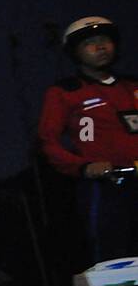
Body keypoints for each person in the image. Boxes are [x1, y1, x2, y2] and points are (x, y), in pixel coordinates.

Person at [37, 16, 138, 265]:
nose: (100, 47)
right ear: (75, 53)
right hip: (107, 186)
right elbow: (47, 141)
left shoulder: (133, 86)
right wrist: (83, 166)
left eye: (105, 40)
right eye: (89, 43)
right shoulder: (66, 91)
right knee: (115, 256)